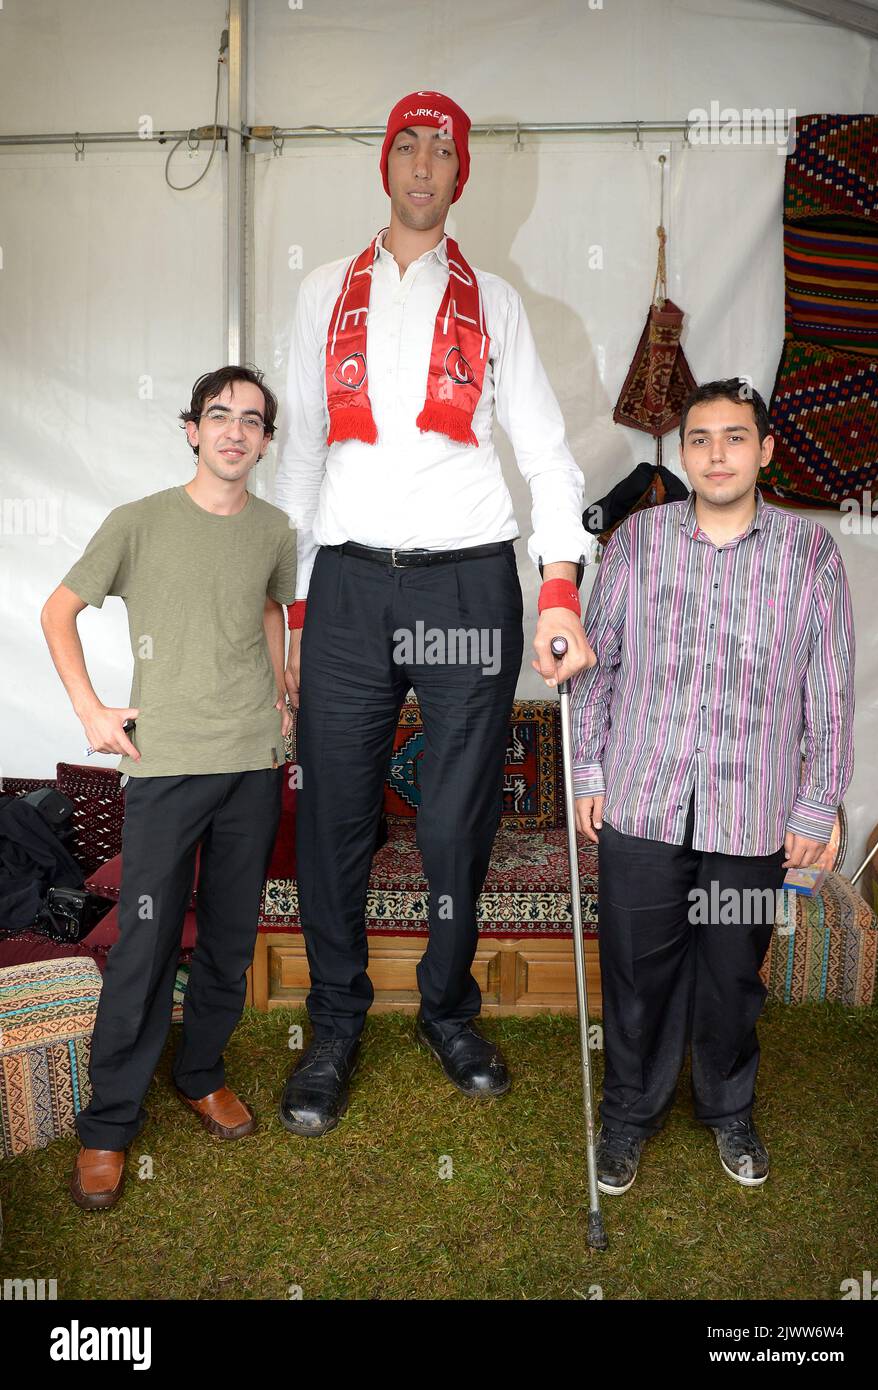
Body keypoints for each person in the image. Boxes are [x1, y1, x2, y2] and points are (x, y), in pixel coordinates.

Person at [274, 90, 596, 1135]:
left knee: (458, 815)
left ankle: (448, 1008)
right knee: (334, 808)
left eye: (441, 150)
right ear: (386, 164)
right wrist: (293, 606)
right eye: (407, 145)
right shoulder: (324, 291)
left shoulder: (495, 302)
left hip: (468, 581)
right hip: (350, 582)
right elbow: (301, 455)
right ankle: (334, 1020)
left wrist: (558, 584)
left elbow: (546, 453)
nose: (423, 164)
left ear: (461, 173)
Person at [571, 379, 855, 1193]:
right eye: (700, 439)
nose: (717, 453)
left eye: (735, 437)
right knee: (637, 971)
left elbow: (830, 689)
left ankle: (728, 1107)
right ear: (684, 452)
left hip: (753, 809)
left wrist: (817, 802)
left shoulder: (809, 555)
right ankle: (629, 1113)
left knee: (733, 972)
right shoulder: (637, 543)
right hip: (643, 798)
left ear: (766, 450)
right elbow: (598, 662)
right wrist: (588, 768)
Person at [41, 366, 296, 1210]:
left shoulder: (275, 529)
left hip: (252, 764)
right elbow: (57, 610)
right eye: (219, 415)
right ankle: (109, 1123)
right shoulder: (139, 522)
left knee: (228, 937)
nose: (235, 430)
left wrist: (283, 692)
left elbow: (269, 609)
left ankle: (201, 1074)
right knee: (145, 945)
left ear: (265, 440)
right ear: (193, 429)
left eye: (251, 420)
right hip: (166, 766)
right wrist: (90, 708)